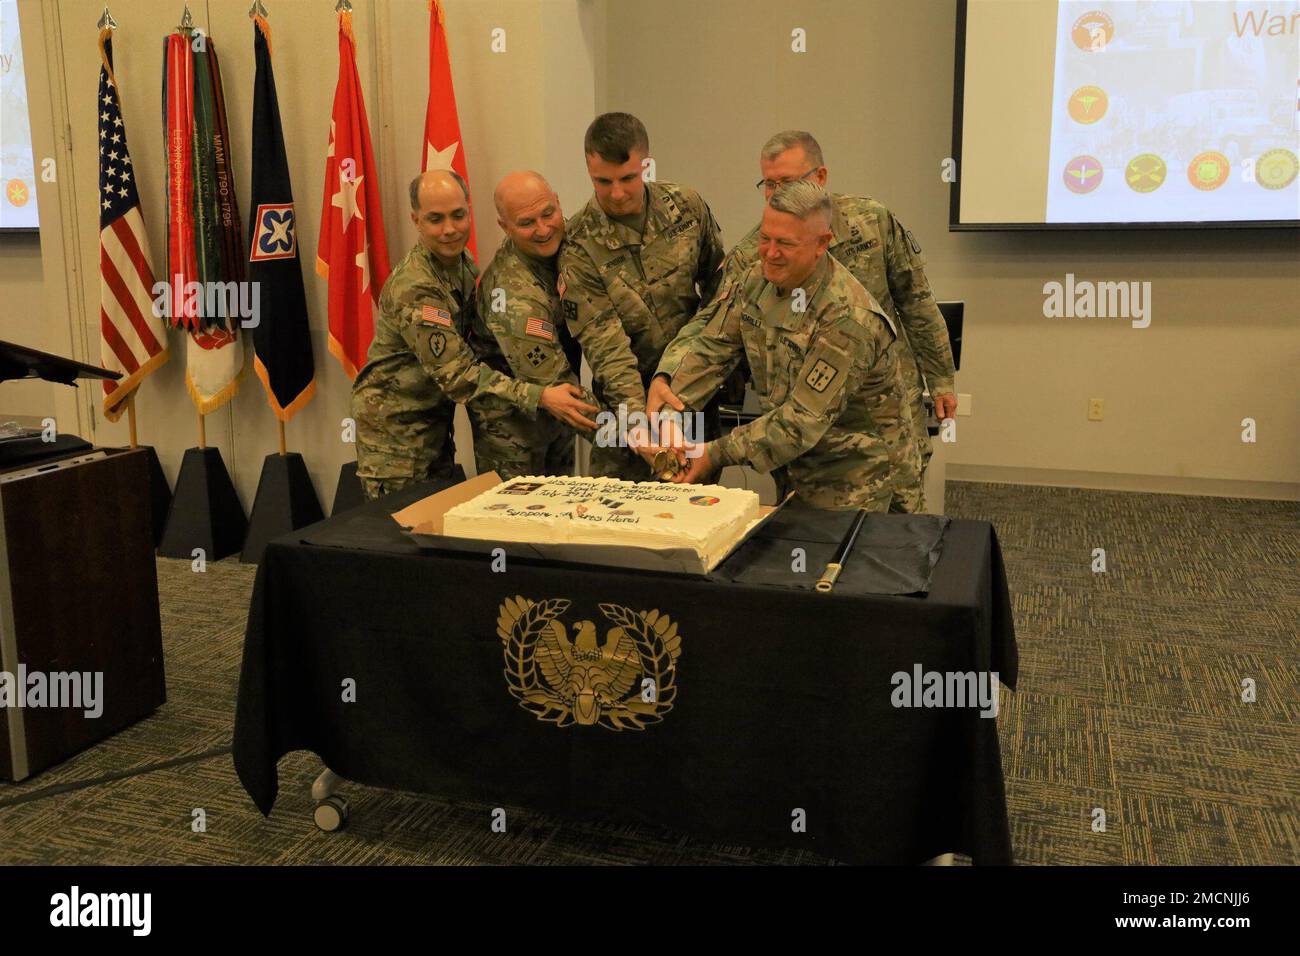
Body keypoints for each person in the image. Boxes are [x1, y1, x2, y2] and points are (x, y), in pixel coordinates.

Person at [658, 130, 954, 510]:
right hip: (799, 461)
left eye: (785, 245)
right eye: (766, 239)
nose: (770, 253)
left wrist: (712, 454)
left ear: (821, 244)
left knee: (861, 564)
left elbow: (916, 302)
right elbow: (714, 341)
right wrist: (669, 405)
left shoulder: (851, 315)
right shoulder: (756, 268)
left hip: (862, 478)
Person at [351, 169, 596, 500]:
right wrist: (539, 396)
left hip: (435, 423)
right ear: (416, 221)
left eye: (458, 215)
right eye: (435, 219)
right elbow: (459, 376)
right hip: (395, 434)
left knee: (436, 527)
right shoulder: (417, 287)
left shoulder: (461, 263)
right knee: (402, 537)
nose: (450, 229)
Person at [558, 112, 726, 479]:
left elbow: (720, 293)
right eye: (603, 182)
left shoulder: (685, 207)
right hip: (624, 417)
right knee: (620, 524)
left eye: (628, 178)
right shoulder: (578, 243)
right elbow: (606, 349)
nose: (617, 193)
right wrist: (642, 426)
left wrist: (689, 382)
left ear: (646, 165)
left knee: (699, 519)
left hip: (690, 398)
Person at [470, 171, 599, 479]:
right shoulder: (513, 295)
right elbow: (563, 393)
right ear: (505, 226)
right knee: (516, 523)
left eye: (548, 214)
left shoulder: (569, 244)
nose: (543, 229)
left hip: (557, 418)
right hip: (513, 435)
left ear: (557, 203)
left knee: (561, 512)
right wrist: (641, 441)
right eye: (527, 223)